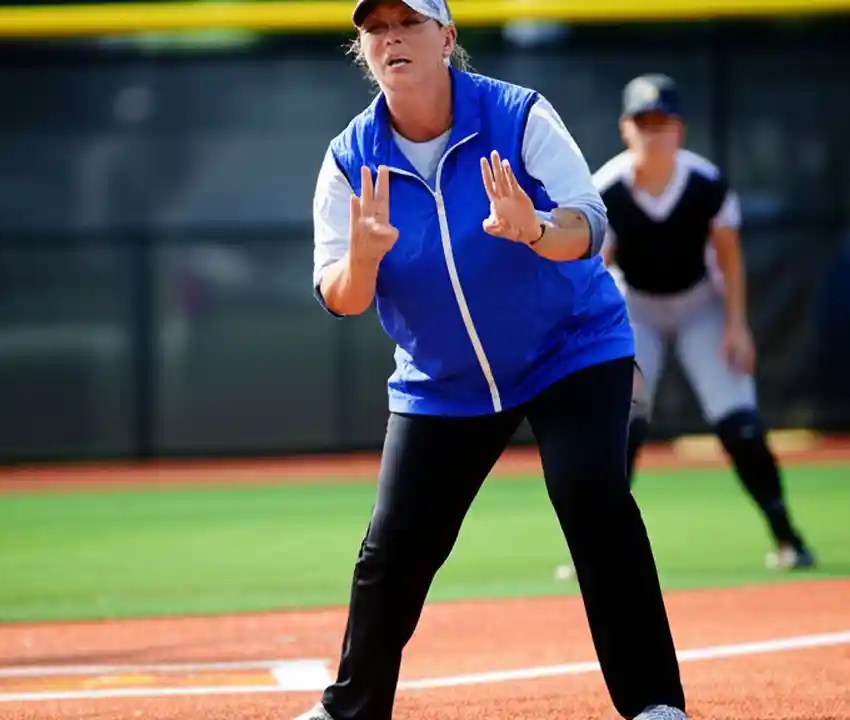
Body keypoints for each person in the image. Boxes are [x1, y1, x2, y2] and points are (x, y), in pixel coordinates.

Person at [293, 1, 688, 718]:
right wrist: (362, 258)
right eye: (376, 28)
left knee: (592, 498)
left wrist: (534, 228)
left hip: (570, 348)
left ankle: (656, 705)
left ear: (446, 37)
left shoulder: (517, 115)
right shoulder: (349, 158)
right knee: (395, 548)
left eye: (408, 23)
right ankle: (348, 709)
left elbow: (588, 225)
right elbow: (341, 297)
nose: (391, 39)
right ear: (363, 49)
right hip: (444, 381)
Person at [592, 73, 815, 571]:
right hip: (637, 307)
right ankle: (599, 552)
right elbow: (597, 269)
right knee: (621, 423)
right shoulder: (605, 188)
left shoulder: (705, 184)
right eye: (643, 121)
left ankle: (787, 537)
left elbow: (729, 259)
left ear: (681, 129)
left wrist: (737, 326)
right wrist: (600, 342)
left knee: (739, 422)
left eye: (663, 121)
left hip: (699, 305)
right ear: (625, 128)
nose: (654, 132)